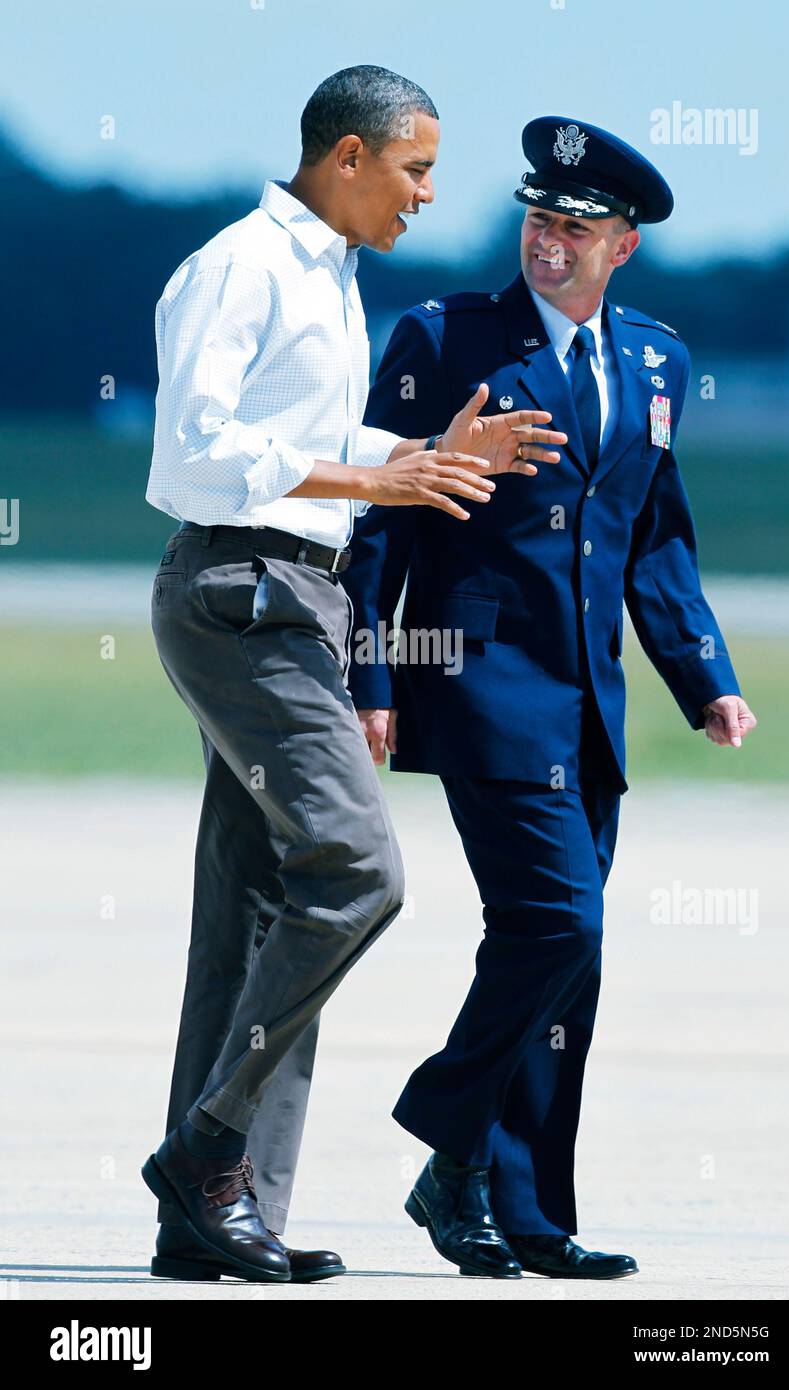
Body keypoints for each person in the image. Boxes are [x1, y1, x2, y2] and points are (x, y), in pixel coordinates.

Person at [140, 67, 562, 1285]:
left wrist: (423, 454)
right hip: (242, 596)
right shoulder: (244, 266)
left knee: (256, 909)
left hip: (298, 598)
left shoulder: (328, 274)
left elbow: (307, 442)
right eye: (415, 168)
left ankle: (215, 1215)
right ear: (347, 157)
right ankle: (206, 1152)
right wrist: (378, 482)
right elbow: (192, 454)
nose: (426, 194)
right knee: (356, 873)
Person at [345, 115, 758, 1279]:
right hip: (476, 679)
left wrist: (705, 674)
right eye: (539, 220)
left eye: (576, 228)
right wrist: (371, 672)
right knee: (559, 925)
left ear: (623, 245)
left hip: (591, 703)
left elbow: (653, 534)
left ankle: (522, 1211)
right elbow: (380, 518)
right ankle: (448, 1138)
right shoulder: (446, 339)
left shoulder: (657, 363)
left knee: (569, 958)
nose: (550, 242)